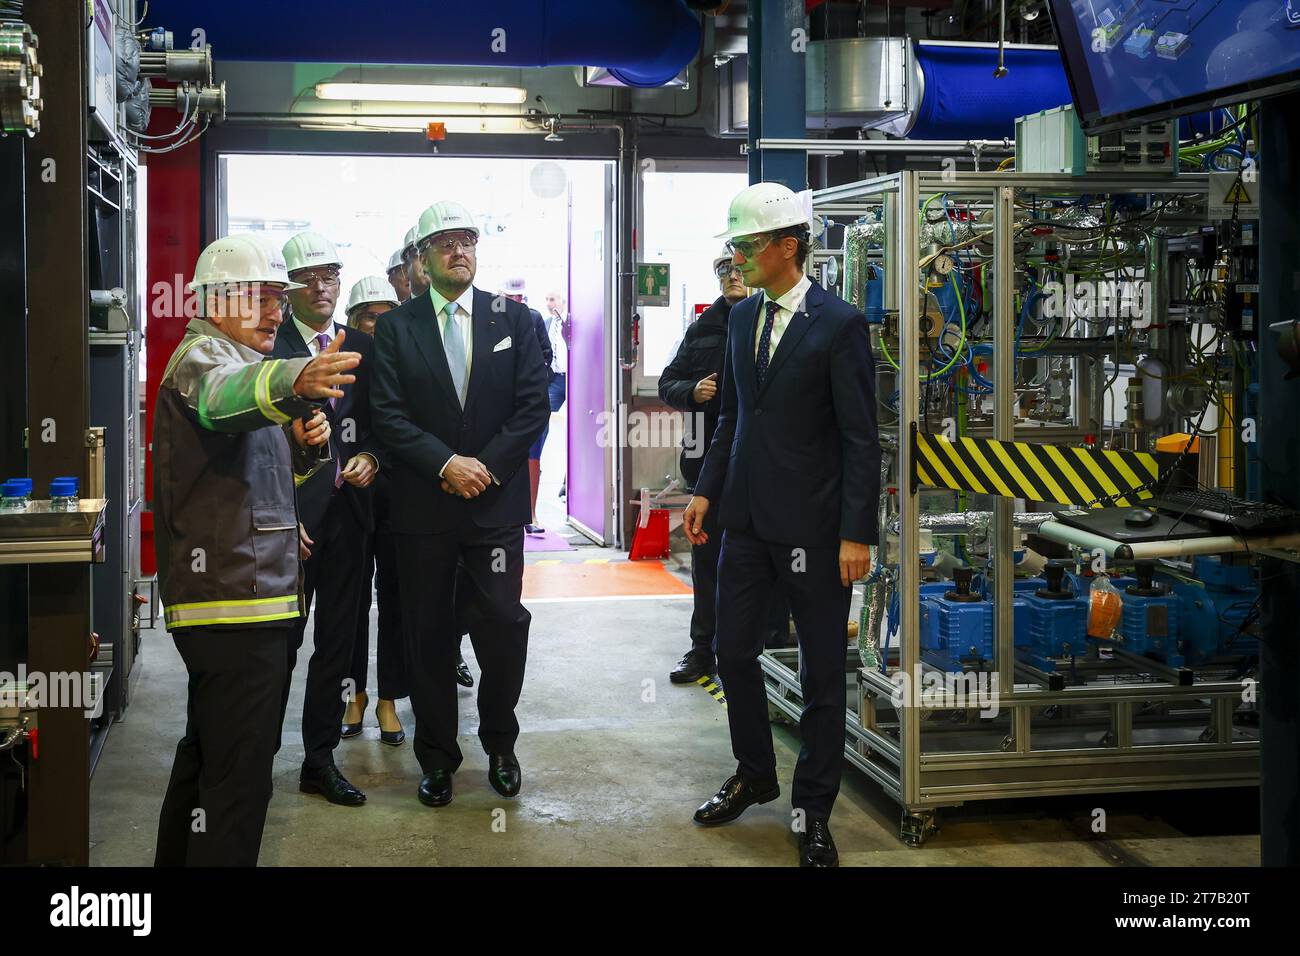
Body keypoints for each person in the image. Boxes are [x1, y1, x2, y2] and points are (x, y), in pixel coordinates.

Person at [683, 182, 881, 867]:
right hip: (745, 522)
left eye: (746, 245)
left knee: (824, 677)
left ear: (786, 247)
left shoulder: (840, 324)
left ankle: (812, 810)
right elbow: (733, 416)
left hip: (818, 533)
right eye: (735, 246)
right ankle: (755, 772)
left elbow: (861, 438)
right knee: (731, 654)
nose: (737, 258)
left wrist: (858, 533)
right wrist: (708, 491)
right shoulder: (741, 319)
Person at [153, 234, 359, 865]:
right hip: (233, 605)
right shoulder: (205, 359)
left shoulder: (236, 361)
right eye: (263, 299)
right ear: (216, 299)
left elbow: (255, 480)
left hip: (248, 599)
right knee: (239, 783)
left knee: (210, 758)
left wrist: (303, 449)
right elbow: (223, 398)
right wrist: (295, 378)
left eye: (280, 299)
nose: (277, 313)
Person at [371, 200, 549, 809]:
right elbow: (386, 416)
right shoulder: (398, 328)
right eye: (444, 243)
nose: (459, 251)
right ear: (421, 258)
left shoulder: (515, 321)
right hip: (424, 510)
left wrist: (485, 468)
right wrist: (446, 464)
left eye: (467, 240)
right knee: (429, 635)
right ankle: (438, 758)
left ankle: (501, 742)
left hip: (493, 510)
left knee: (502, 624)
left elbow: (532, 406)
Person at [272, 231, 379, 808]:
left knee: (338, 642)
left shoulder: (363, 342)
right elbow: (256, 440)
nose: (321, 285)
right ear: (288, 288)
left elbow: (383, 417)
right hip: (290, 523)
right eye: (308, 276)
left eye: (330, 274)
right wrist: (284, 513)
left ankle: (318, 760)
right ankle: (254, 756)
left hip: (350, 517)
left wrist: (370, 456)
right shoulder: (269, 343)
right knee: (280, 643)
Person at [658, 249, 749, 684]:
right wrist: (692, 391)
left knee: (759, 566)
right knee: (707, 563)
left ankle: (757, 652)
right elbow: (666, 383)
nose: (732, 276)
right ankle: (702, 651)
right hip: (705, 467)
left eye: (737, 268)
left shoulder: (773, 322)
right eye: (724, 271)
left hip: (755, 470)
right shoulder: (703, 328)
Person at [339, 277, 409, 745]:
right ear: (354, 322)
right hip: (351, 497)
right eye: (368, 317)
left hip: (402, 497)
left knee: (397, 600)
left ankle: (389, 699)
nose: (378, 325)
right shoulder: (345, 364)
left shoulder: (409, 362)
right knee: (351, 601)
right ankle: (355, 695)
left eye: (387, 316)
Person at [502, 277, 554, 534]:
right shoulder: (490, 319)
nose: (516, 301)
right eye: (511, 297)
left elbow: (547, 354)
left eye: (519, 297)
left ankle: (530, 514)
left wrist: (531, 380)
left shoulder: (533, 318)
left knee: (533, 457)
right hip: (501, 403)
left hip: (528, 401)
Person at [544, 290, 570, 500]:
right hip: (554, 380)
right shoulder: (545, 323)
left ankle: (567, 481)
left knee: (575, 431)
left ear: (562, 300)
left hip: (574, 379)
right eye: (546, 299)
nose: (548, 303)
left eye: (552, 299)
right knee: (539, 419)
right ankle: (534, 465)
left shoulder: (572, 323)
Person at [402, 225, 431, 298]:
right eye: (418, 254)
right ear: (405, 270)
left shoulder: (458, 307)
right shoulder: (400, 309)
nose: (428, 260)